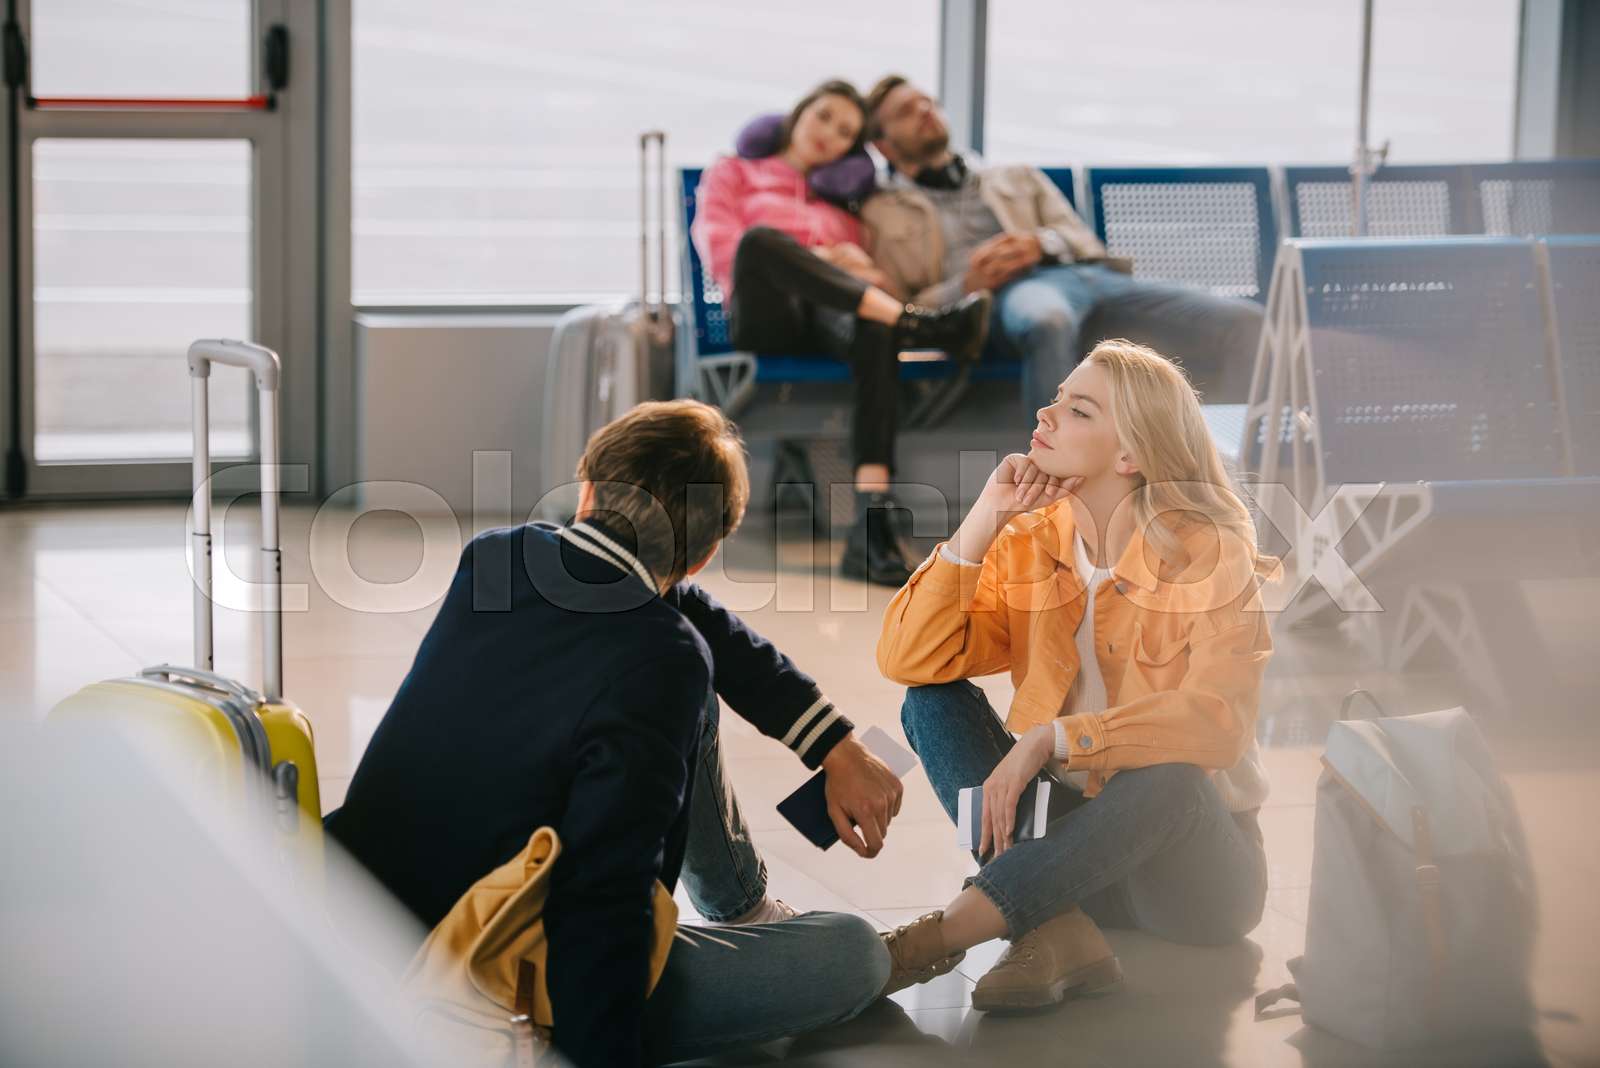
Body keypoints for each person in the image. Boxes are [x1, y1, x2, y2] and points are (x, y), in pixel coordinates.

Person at [325, 400, 905, 1066]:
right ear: (705, 555)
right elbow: (603, 896)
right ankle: (742, 923)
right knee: (854, 954)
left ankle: (742, 915)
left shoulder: (497, 558)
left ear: (589, 490)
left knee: (694, 661)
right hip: (478, 966)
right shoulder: (663, 661)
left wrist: (834, 744)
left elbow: (693, 617)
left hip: (352, 910)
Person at [873, 340, 1274, 1013]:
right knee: (930, 702)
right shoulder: (1032, 538)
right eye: (1055, 399)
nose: (1047, 414)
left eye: (1078, 409)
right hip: (1071, 854)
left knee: (1170, 775)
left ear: (1130, 456)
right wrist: (982, 520)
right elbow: (910, 658)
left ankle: (938, 938)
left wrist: (1054, 738)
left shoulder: (1211, 552)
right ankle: (1058, 929)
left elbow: (1216, 724)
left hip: (1189, 879)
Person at [692, 78, 992, 587]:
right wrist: (825, 256)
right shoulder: (735, 172)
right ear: (800, 112)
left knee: (874, 324)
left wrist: (857, 268)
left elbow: (864, 282)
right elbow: (726, 250)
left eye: (846, 132)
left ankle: (869, 528)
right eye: (824, 116)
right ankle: (914, 323)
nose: (829, 134)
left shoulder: (842, 203)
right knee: (763, 241)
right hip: (767, 316)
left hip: (827, 321)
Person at [861, 75, 1265, 418]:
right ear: (883, 144)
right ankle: (1057, 494)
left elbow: (1083, 240)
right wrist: (967, 284)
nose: (925, 111)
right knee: (1047, 320)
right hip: (1009, 296)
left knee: (1247, 323)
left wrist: (1040, 244)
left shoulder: (1012, 175)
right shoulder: (882, 211)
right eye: (905, 111)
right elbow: (903, 307)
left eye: (927, 102)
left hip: (1087, 278)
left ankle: (1227, 472)